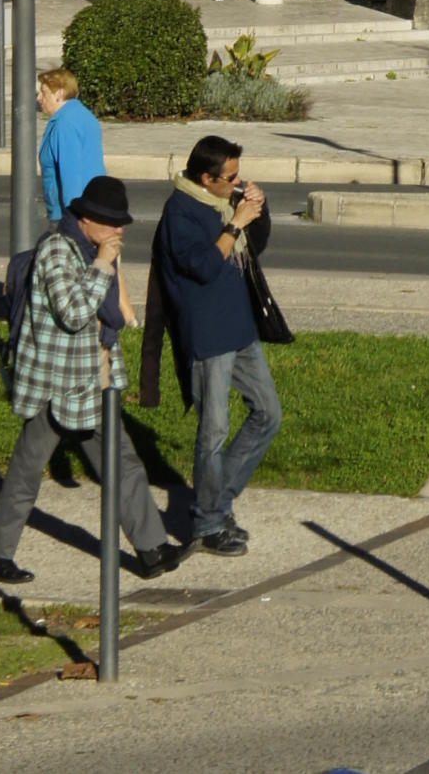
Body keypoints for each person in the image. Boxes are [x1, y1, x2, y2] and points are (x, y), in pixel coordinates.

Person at [0, 174, 176, 585]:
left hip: (94, 382)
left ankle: (152, 549)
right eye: (111, 221)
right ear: (85, 217)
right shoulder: (58, 250)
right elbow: (74, 311)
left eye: (122, 223)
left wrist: (104, 261)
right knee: (28, 469)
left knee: (123, 462)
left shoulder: (92, 247)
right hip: (56, 384)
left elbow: (109, 315)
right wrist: (104, 263)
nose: (119, 230)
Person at [140, 134, 281, 556]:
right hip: (206, 335)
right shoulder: (180, 211)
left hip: (239, 327)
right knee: (213, 432)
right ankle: (206, 524)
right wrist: (236, 221)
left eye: (240, 176)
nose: (237, 183)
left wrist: (259, 207)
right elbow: (201, 266)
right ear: (206, 177)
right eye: (231, 177)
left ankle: (218, 502)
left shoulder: (222, 202)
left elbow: (256, 243)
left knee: (268, 413)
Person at [36, 67, 104, 223]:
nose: (39, 98)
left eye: (44, 92)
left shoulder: (65, 124)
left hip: (70, 214)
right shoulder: (82, 115)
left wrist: (71, 219)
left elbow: (71, 174)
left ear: (59, 93)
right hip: (92, 205)